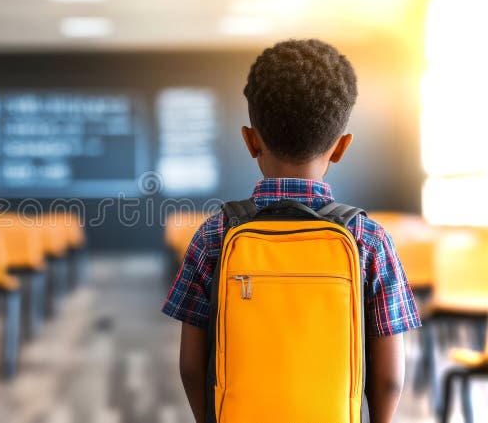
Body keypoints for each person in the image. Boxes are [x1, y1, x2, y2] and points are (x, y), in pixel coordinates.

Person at [161, 39, 420, 423]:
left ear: (250, 140)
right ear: (341, 147)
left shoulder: (214, 234)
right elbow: (389, 379)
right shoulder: (370, 239)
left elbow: (191, 366)